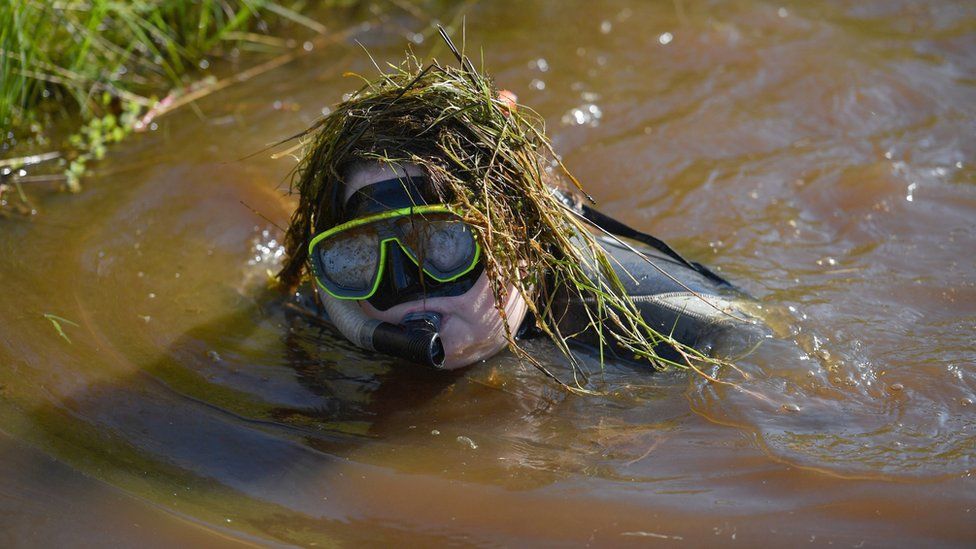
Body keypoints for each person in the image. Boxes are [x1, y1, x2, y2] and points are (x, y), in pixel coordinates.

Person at [277, 49, 760, 380]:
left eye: (444, 240)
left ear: (522, 240)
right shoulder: (334, 306)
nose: (404, 283)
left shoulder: (678, 326)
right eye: (359, 255)